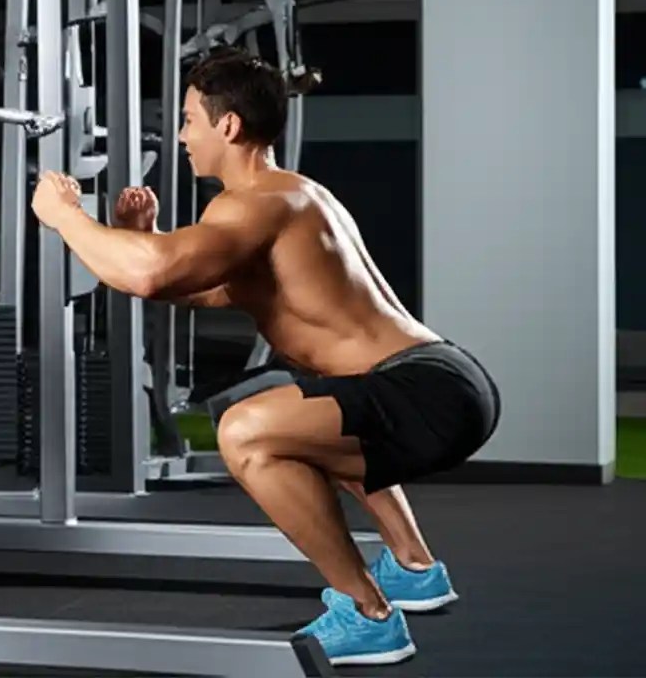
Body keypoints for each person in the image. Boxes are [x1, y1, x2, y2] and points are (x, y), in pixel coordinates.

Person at [30, 47, 501, 667]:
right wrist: (141, 239)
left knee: (249, 432)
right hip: (442, 382)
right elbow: (196, 288)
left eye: (190, 119)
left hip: (425, 391)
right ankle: (414, 569)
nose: (181, 135)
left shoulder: (253, 203)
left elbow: (149, 277)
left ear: (227, 126)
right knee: (313, 415)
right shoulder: (297, 196)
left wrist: (66, 216)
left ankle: (367, 613)